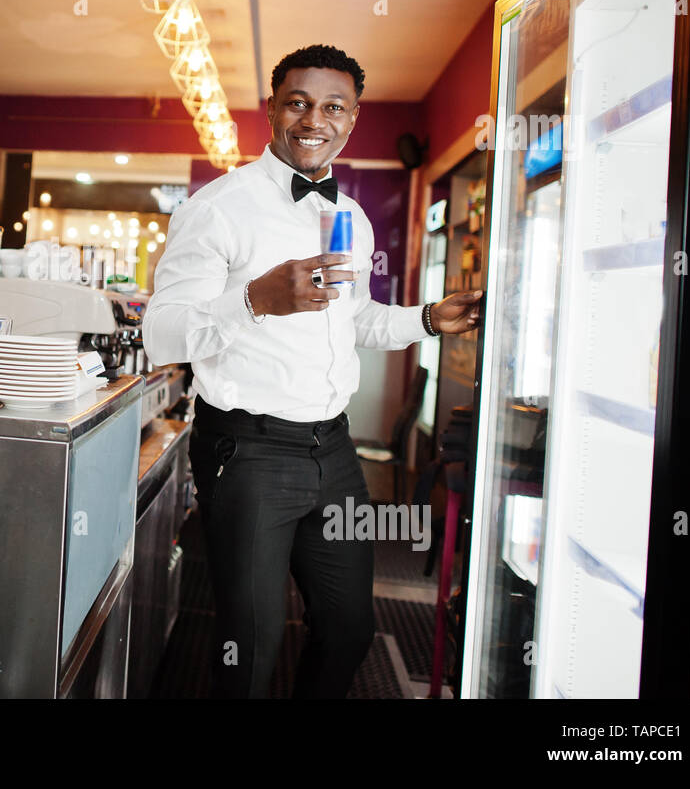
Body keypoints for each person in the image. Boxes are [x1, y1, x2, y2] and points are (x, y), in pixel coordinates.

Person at [143, 44, 483, 698]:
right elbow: (160, 332)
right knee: (251, 645)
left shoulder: (350, 218)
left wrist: (430, 318)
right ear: (273, 108)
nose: (313, 119)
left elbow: (354, 319)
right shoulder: (216, 207)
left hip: (333, 449)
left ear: (351, 119)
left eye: (333, 106)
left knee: (349, 627)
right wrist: (253, 299)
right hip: (246, 452)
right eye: (297, 102)